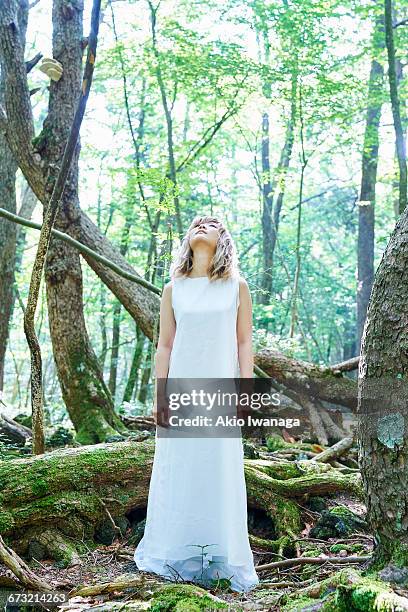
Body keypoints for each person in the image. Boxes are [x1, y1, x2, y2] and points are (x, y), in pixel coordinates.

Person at [134, 215, 259, 592]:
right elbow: (165, 346)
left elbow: (243, 343)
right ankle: (175, 554)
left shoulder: (237, 287)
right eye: (196, 223)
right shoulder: (174, 289)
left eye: (212, 223)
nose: (202, 225)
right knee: (181, 470)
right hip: (182, 393)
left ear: (224, 238)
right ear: (188, 238)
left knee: (218, 469)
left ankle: (221, 556)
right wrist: (161, 395)